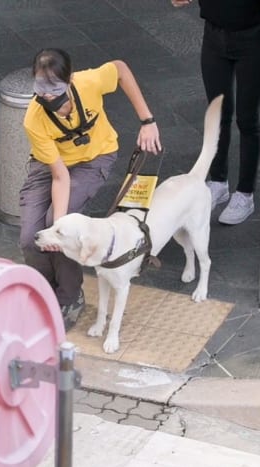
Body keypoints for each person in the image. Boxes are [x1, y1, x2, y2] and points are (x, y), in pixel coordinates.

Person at [19, 48, 161, 330]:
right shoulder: (34, 118)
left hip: (94, 158)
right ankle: (47, 292)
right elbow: (59, 176)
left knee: (57, 226)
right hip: (51, 167)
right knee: (30, 239)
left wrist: (147, 121)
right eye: (40, 87)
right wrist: (55, 230)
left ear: (69, 80)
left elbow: (120, 66)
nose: (47, 95)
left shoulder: (88, 82)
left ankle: (70, 297)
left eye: (54, 87)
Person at [172, 0, 260, 225]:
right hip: (214, 36)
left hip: (252, 39)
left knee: (247, 118)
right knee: (217, 113)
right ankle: (218, 182)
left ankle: (245, 194)